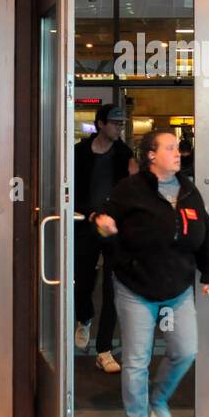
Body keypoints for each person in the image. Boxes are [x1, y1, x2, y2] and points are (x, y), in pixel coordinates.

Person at [92, 131, 209, 417]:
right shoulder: (130, 190)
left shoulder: (189, 191)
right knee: (137, 360)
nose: (178, 153)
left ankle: (157, 399)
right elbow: (101, 216)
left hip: (176, 288)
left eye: (179, 148)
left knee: (185, 350)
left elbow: (205, 233)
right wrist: (102, 225)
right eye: (170, 148)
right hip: (135, 287)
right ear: (151, 155)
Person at [72, 104, 137, 372]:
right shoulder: (78, 153)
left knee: (112, 289)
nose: (119, 127)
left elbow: (129, 192)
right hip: (86, 224)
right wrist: (89, 215)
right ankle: (84, 319)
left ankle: (104, 349)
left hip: (114, 228)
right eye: (115, 123)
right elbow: (71, 188)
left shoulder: (124, 154)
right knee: (83, 281)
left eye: (122, 123)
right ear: (100, 124)